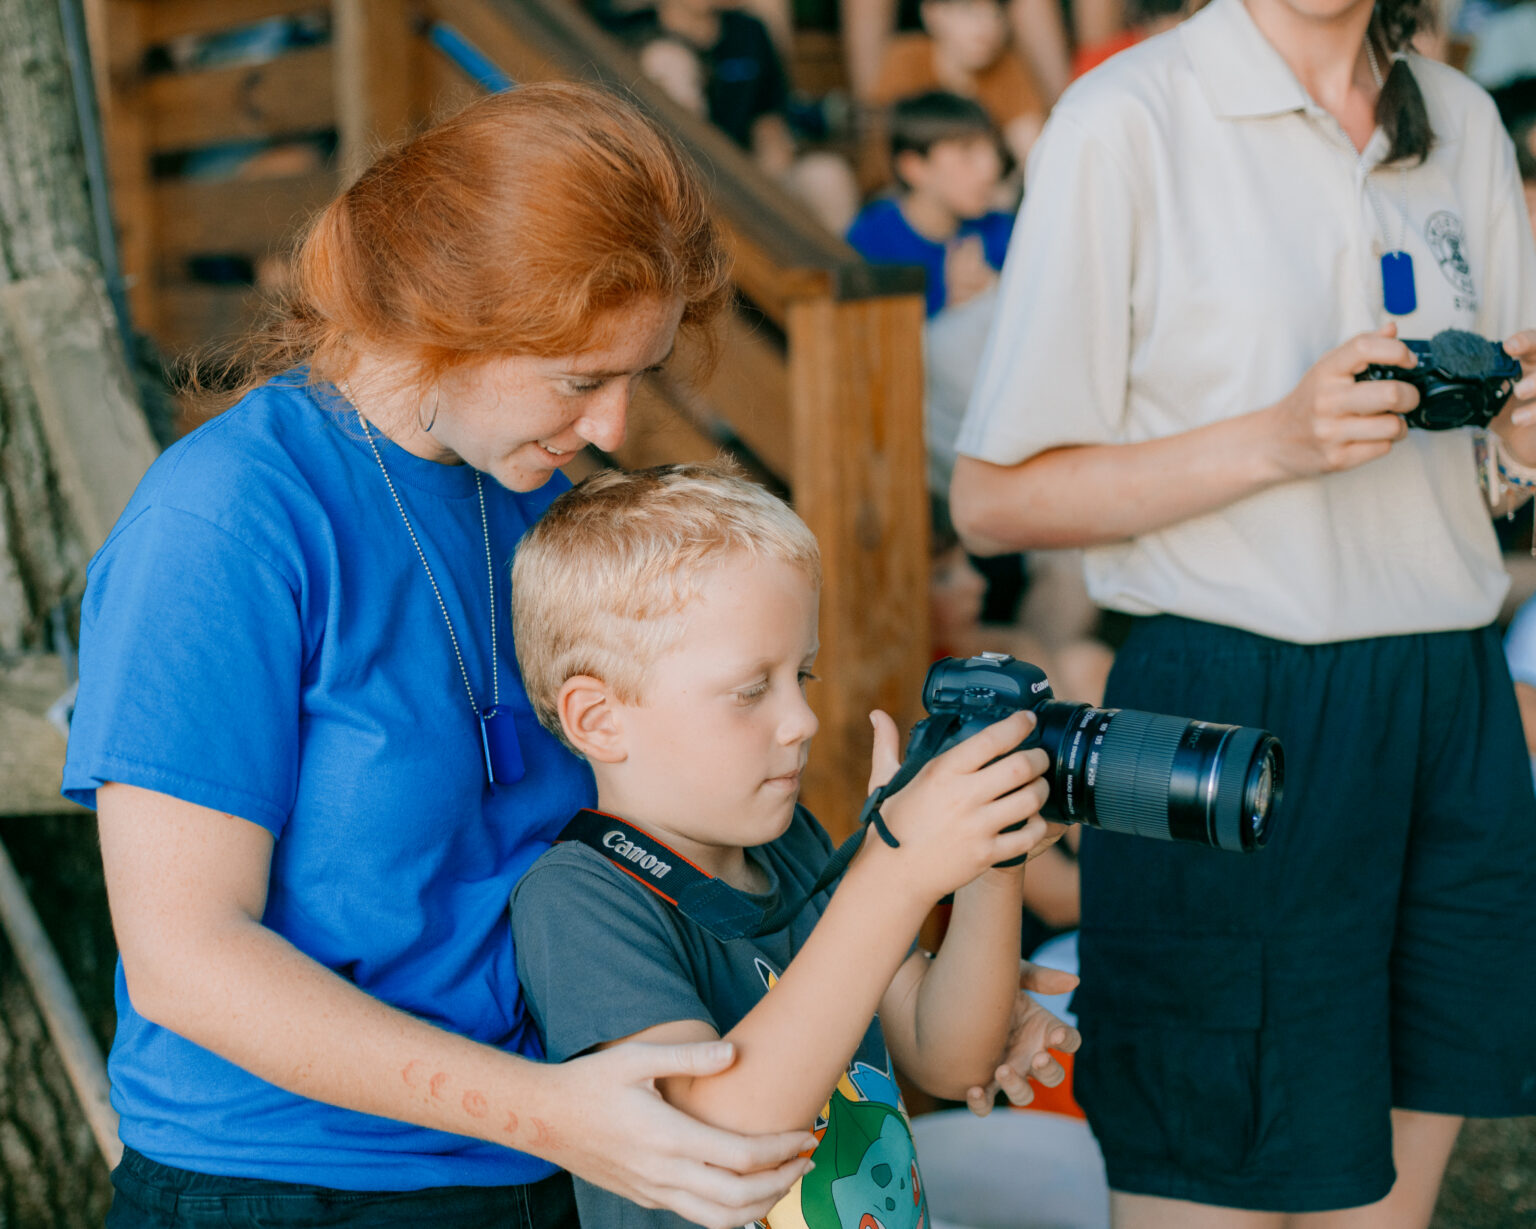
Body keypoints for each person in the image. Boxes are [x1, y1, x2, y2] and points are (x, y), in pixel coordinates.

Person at [62, 83, 832, 1229]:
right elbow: (186, 952)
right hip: (288, 1184)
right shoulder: (225, 519)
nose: (617, 427)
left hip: (555, 1156)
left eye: (637, 376)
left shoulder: (540, 502)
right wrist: (546, 1109)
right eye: (581, 379)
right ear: (444, 322)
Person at [948, 0, 1536, 1223]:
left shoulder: (1464, 121)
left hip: (1448, 700)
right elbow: (993, 499)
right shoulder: (1125, 117)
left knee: (1389, 1199)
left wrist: (1520, 452)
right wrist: (1273, 441)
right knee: (1201, 1177)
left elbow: (1490, 471)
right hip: (1222, 701)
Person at [507, 461, 1075, 1227]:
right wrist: (896, 875)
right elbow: (715, 1130)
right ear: (600, 720)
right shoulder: (581, 897)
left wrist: (990, 858)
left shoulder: (796, 846)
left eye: (801, 675)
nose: (802, 719)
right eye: (750, 690)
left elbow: (948, 1056)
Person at [847, 91, 1014, 319]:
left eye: (991, 150)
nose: (991, 168)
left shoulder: (1002, 229)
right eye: (967, 152)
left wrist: (997, 288)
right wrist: (949, 308)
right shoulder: (870, 243)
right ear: (914, 167)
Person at [869, 0, 1048, 165]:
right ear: (932, 13)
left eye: (997, 14)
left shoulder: (1006, 65)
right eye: (968, 10)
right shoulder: (906, 58)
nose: (987, 26)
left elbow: (1033, 153)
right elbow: (884, 148)